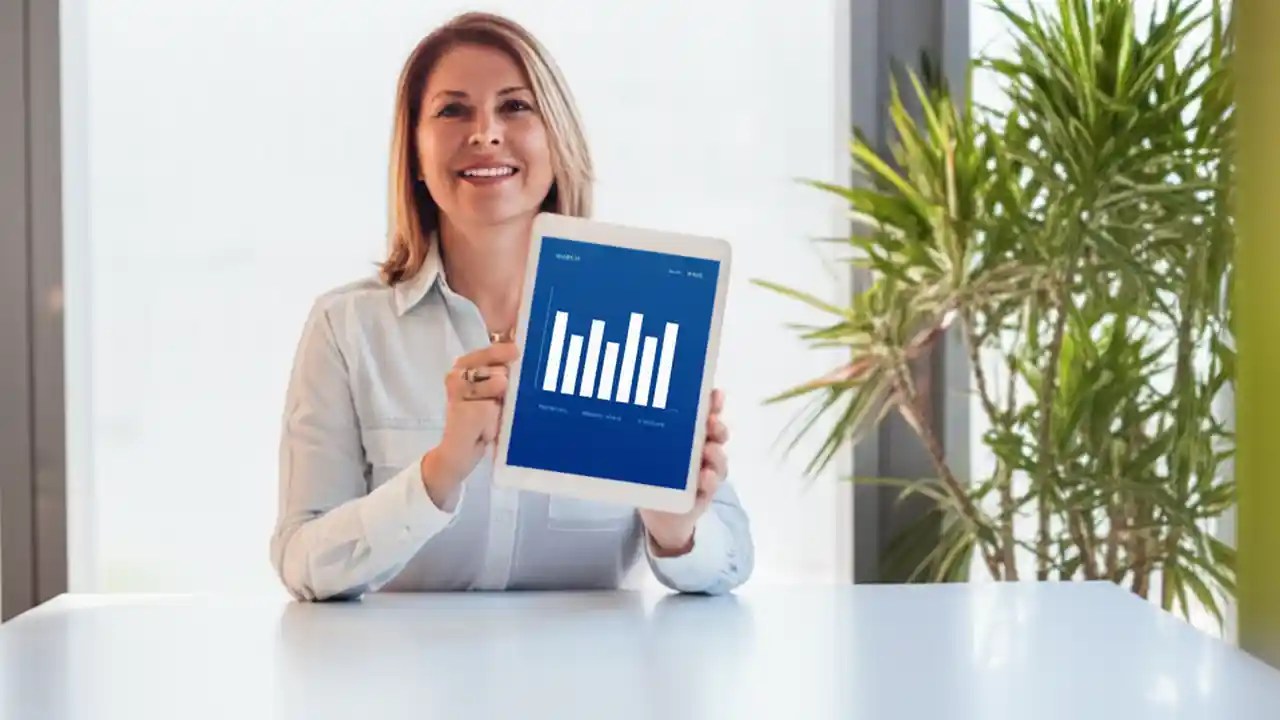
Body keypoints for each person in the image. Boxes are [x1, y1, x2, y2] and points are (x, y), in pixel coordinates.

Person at [269, 12, 754, 601]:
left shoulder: (641, 314)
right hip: (404, 686)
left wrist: (676, 527)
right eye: (452, 110)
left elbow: (730, 561)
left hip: (595, 688)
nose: (485, 133)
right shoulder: (347, 329)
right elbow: (302, 562)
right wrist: (440, 471)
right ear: (416, 155)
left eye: (516, 106)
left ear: (557, 139)